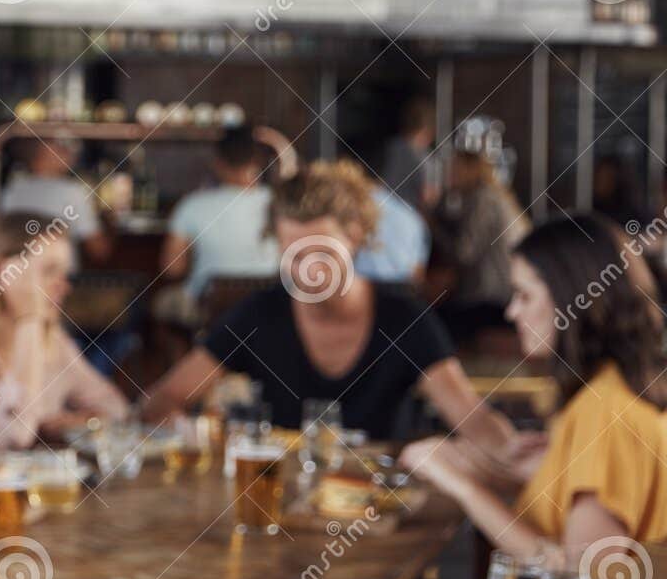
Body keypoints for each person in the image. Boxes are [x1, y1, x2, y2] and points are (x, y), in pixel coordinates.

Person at [144, 160, 524, 449]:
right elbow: (163, 399)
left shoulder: (402, 318)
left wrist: (517, 452)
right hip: (280, 508)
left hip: (374, 512)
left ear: (356, 236)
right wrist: (193, 436)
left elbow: (474, 421)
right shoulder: (258, 315)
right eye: (293, 254)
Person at [401, 215, 667, 569]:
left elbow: (581, 575)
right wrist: (517, 472)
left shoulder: (605, 410)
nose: (512, 312)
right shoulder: (610, 390)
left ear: (571, 298)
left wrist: (462, 486)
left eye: (524, 295)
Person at [0, 214, 129, 455]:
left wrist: (79, 422)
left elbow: (117, 407)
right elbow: (18, 434)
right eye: (49, 271)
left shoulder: (54, 343)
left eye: (64, 274)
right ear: (6, 273)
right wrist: (30, 318)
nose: (64, 286)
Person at [152, 124, 298, 327]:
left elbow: (172, 269)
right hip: (270, 305)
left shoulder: (192, 204)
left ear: (217, 163)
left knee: (161, 305)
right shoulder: (281, 203)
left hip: (208, 309)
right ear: (258, 161)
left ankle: (187, 356)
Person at [434, 149, 530, 344]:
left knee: (435, 325)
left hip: (493, 298)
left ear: (472, 170)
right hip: (503, 294)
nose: (448, 176)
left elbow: (464, 254)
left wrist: (431, 226)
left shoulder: (483, 199)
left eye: (455, 170)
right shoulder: (493, 195)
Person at [0, 137, 112, 264]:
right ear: (41, 152)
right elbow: (98, 250)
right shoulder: (72, 191)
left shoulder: (12, 189)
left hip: (20, 275)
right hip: (57, 276)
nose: (70, 152)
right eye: (60, 146)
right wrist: (110, 221)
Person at [353, 184, 430, 287]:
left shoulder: (351, 209)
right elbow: (418, 271)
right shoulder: (412, 217)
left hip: (361, 286)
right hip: (400, 290)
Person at [379, 95, 440, 213]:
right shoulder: (426, 160)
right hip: (409, 217)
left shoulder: (390, 148)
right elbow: (428, 197)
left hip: (384, 212)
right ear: (430, 131)